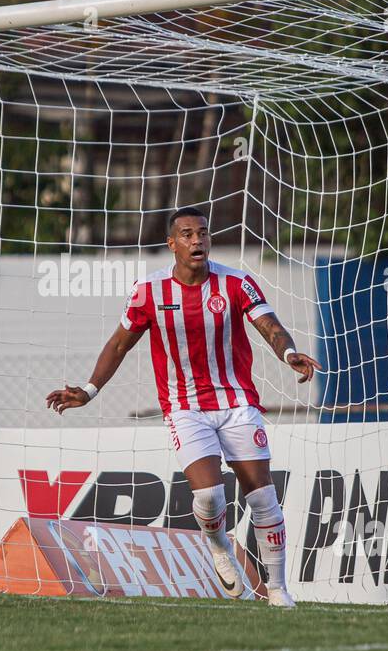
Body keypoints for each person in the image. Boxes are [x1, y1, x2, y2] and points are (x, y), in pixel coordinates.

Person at [45, 207, 321, 607]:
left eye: (203, 233)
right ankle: (219, 546)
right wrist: (89, 390)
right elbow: (119, 344)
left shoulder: (236, 282)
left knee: (262, 497)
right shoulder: (149, 291)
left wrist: (289, 352)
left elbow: (270, 325)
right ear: (171, 244)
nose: (197, 241)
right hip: (184, 408)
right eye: (187, 235)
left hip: (237, 402)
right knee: (209, 498)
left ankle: (277, 589)